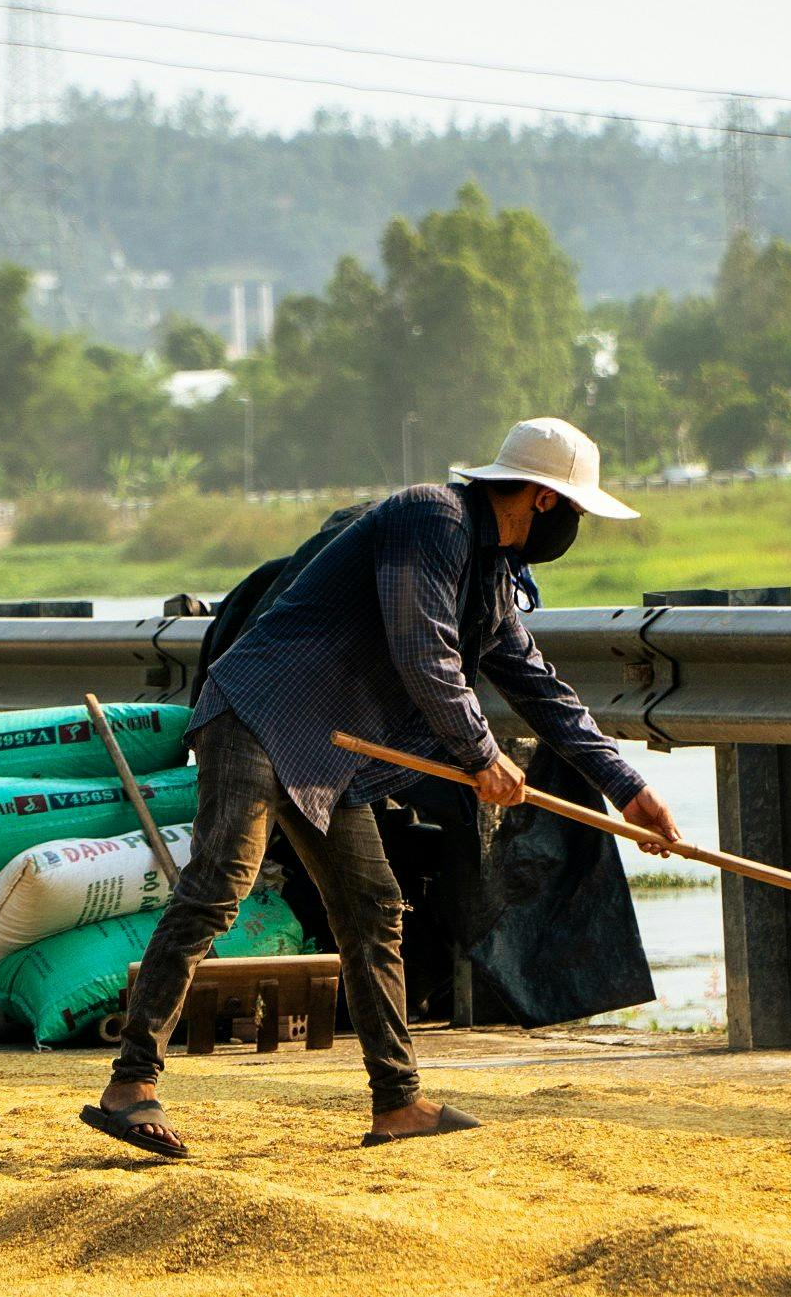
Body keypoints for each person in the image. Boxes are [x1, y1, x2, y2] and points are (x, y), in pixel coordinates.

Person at [81, 416, 681, 1156]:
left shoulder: (492, 578)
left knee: (372, 907)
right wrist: (481, 753)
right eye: (581, 512)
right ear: (545, 500)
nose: (577, 527)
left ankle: (397, 1101)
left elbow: (542, 690)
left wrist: (628, 788)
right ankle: (130, 1082)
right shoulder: (433, 518)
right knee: (217, 885)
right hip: (259, 713)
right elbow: (421, 648)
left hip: (329, 755)